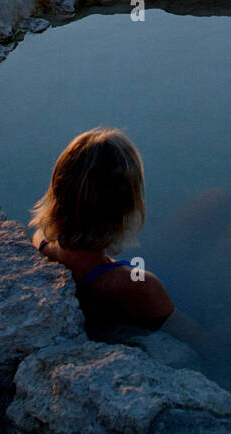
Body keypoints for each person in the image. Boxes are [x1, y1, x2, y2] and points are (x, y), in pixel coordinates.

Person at [31, 127, 176, 332]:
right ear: (127, 206)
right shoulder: (141, 285)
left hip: (90, 266)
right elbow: (199, 340)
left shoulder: (39, 241)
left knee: (214, 198)